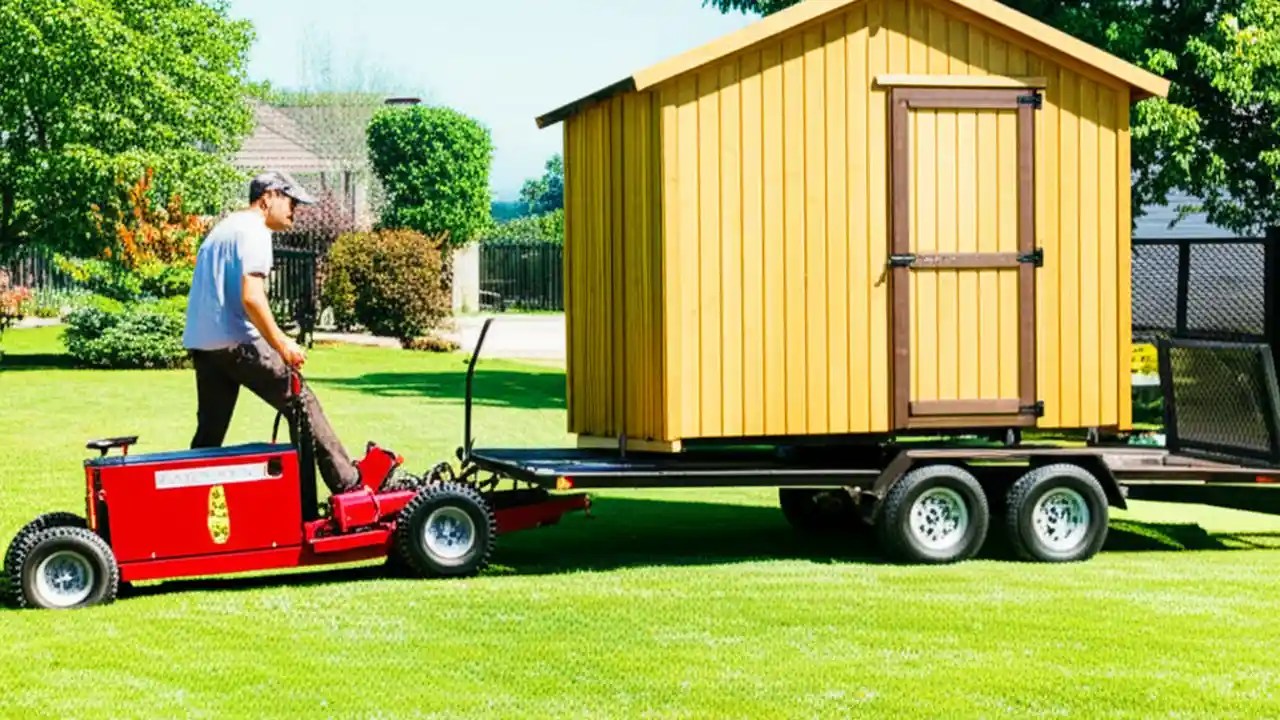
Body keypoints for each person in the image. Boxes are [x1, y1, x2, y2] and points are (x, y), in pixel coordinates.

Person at [183, 170, 362, 495]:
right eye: (291, 201)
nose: (295, 209)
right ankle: (348, 487)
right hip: (238, 342)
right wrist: (281, 343)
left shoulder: (222, 230)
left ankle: (186, 507)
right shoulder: (255, 230)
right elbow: (251, 296)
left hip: (204, 346)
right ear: (268, 197)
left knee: (210, 434)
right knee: (302, 404)